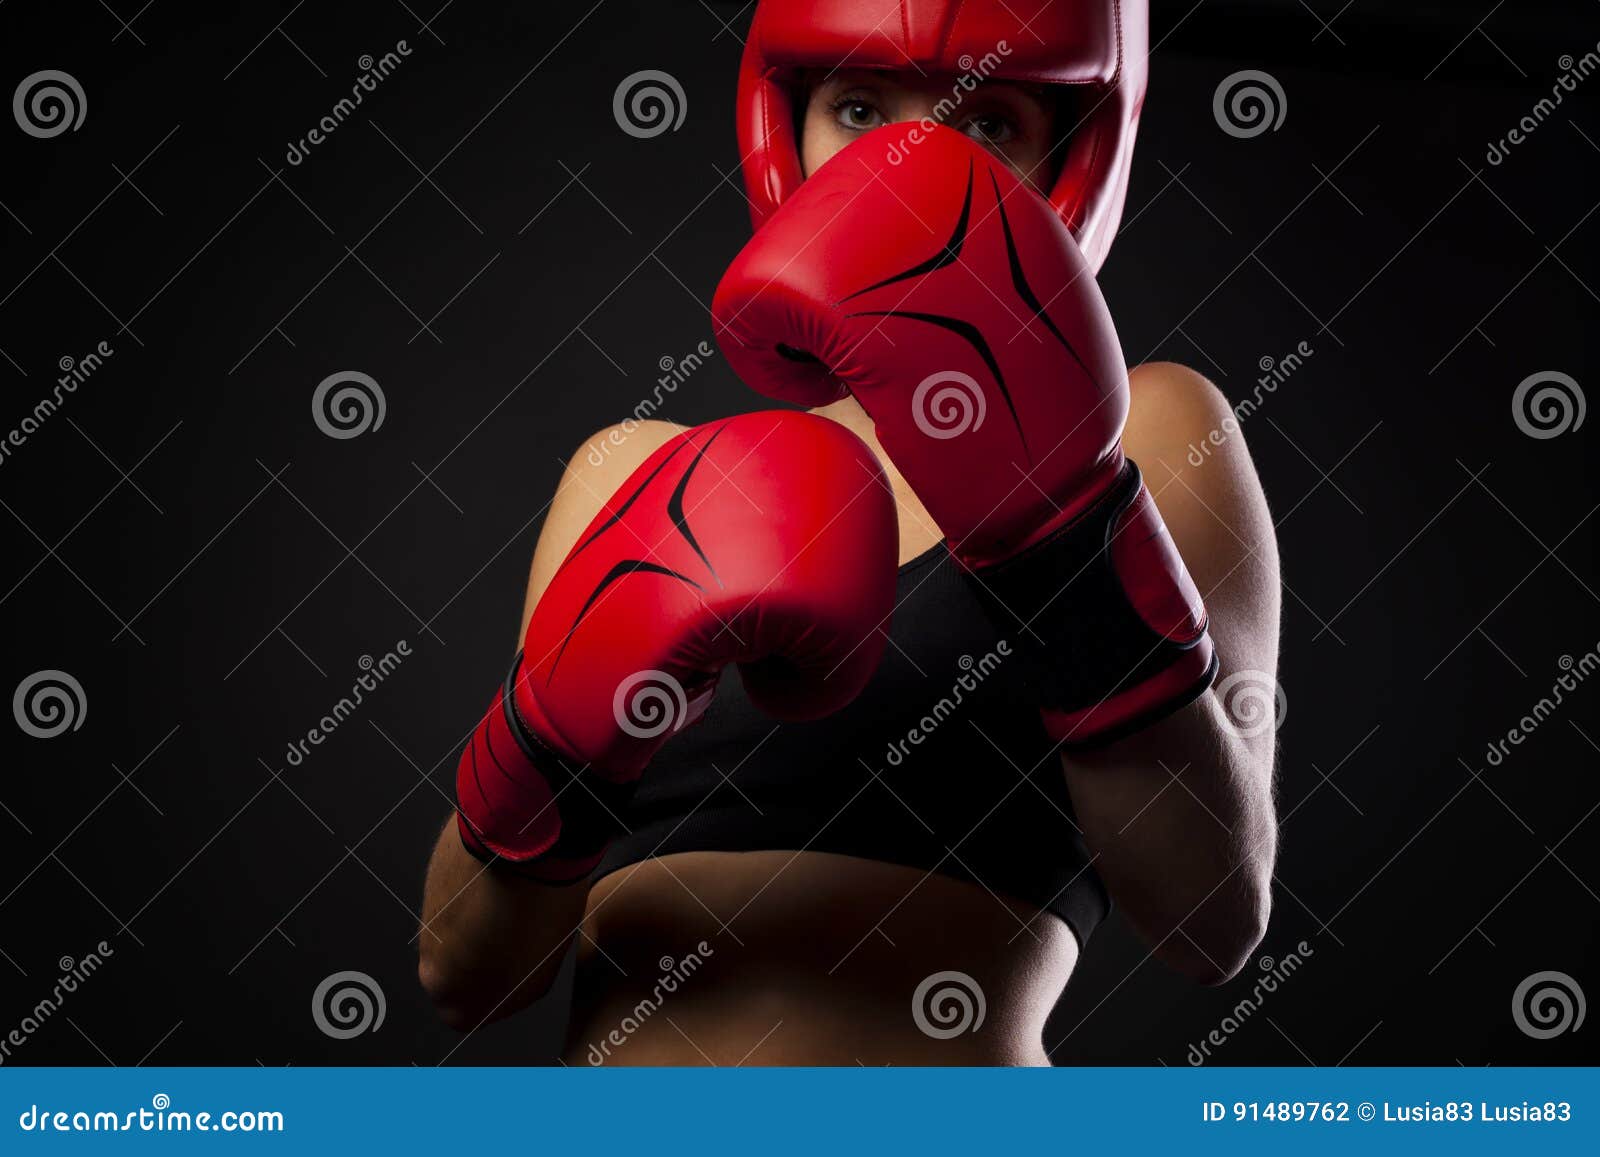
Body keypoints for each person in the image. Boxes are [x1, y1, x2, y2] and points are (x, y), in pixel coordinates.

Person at [419, 0, 1280, 1065]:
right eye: (861, 107)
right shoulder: (628, 471)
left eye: (988, 124)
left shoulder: (1148, 430)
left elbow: (1214, 919)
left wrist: (1062, 536)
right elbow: (464, 972)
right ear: (787, 135)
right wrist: (557, 731)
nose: (906, 166)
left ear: (1066, 160)